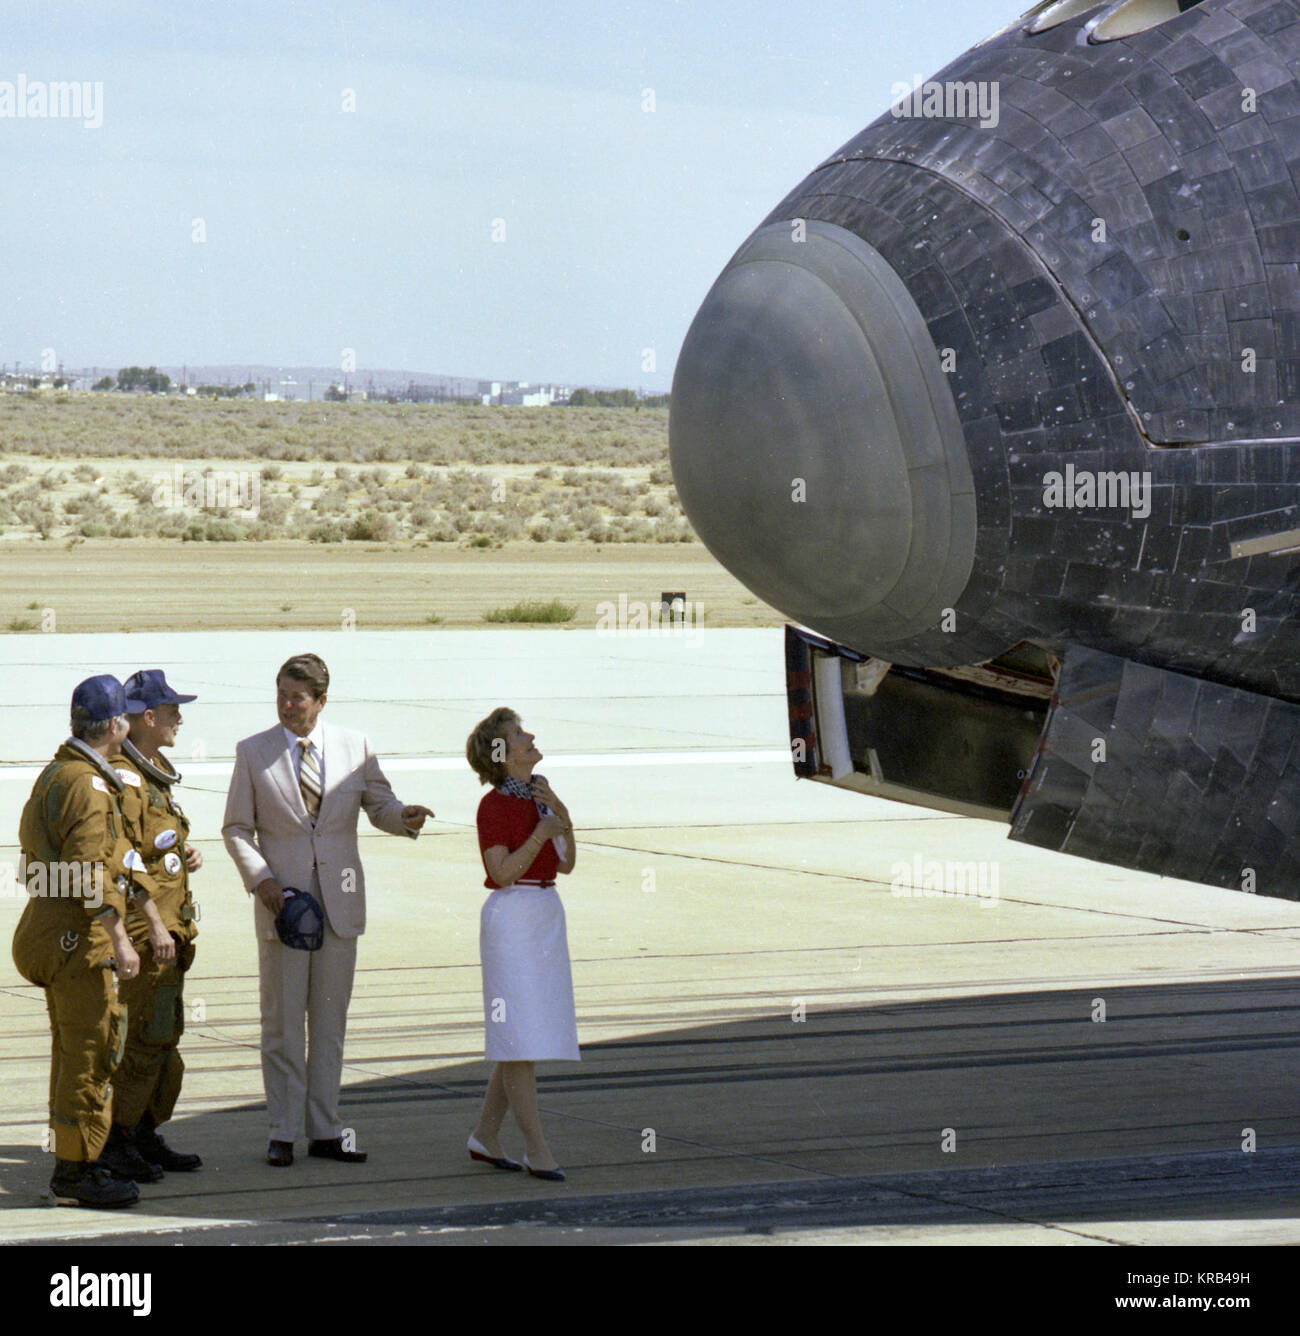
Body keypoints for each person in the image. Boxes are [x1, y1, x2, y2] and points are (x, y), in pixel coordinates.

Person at [222, 653, 434, 1167]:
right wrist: (262, 879)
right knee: (283, 1024)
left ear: (321, 701)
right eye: (281, 694)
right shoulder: (254, 752)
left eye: (298, 697)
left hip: (339, 905)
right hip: (285, 907)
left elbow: (378, 804)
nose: (287, 705)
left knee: (330, 1023)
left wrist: (402, 817)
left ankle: (325, 1128)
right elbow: (235, 828)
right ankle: (282, 1130)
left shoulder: (354, 747)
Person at [11, 675, 143, 1208]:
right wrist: (121, 938)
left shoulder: (54, 775)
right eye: (126, 718)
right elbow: (89, 872)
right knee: (92, 1049)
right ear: (114, 725)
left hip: (47, 931)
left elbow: (34, 868)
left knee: (71, 1051)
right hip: (79, 941)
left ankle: (75, 1157)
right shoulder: (88, 787)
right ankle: (77, 1173)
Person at [465, 707, 578, 1182]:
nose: (530, 736)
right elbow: (502, 872)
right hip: (511, 918)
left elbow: (567, 863)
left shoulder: (540, 793)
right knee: (518, 1039)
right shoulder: (493, 806)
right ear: (500, 752)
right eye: (518, 734)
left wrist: (561, 816)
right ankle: (537, 1149)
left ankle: (485, 1136)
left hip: (545, 915)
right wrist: (542, 832)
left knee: (523, 1038)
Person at [101, 669, 204, 1182]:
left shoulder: (152, 770)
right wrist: (153, 929)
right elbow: (123, 860)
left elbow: (152, 847)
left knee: (162, 1038)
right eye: (171, 711)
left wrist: (183, 854)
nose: (178, 719)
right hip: (149, 933)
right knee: (141, 1042)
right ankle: (116, 1140)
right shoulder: (124, 776)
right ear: (148, 717)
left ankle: (141, 1131)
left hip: (168, 931)